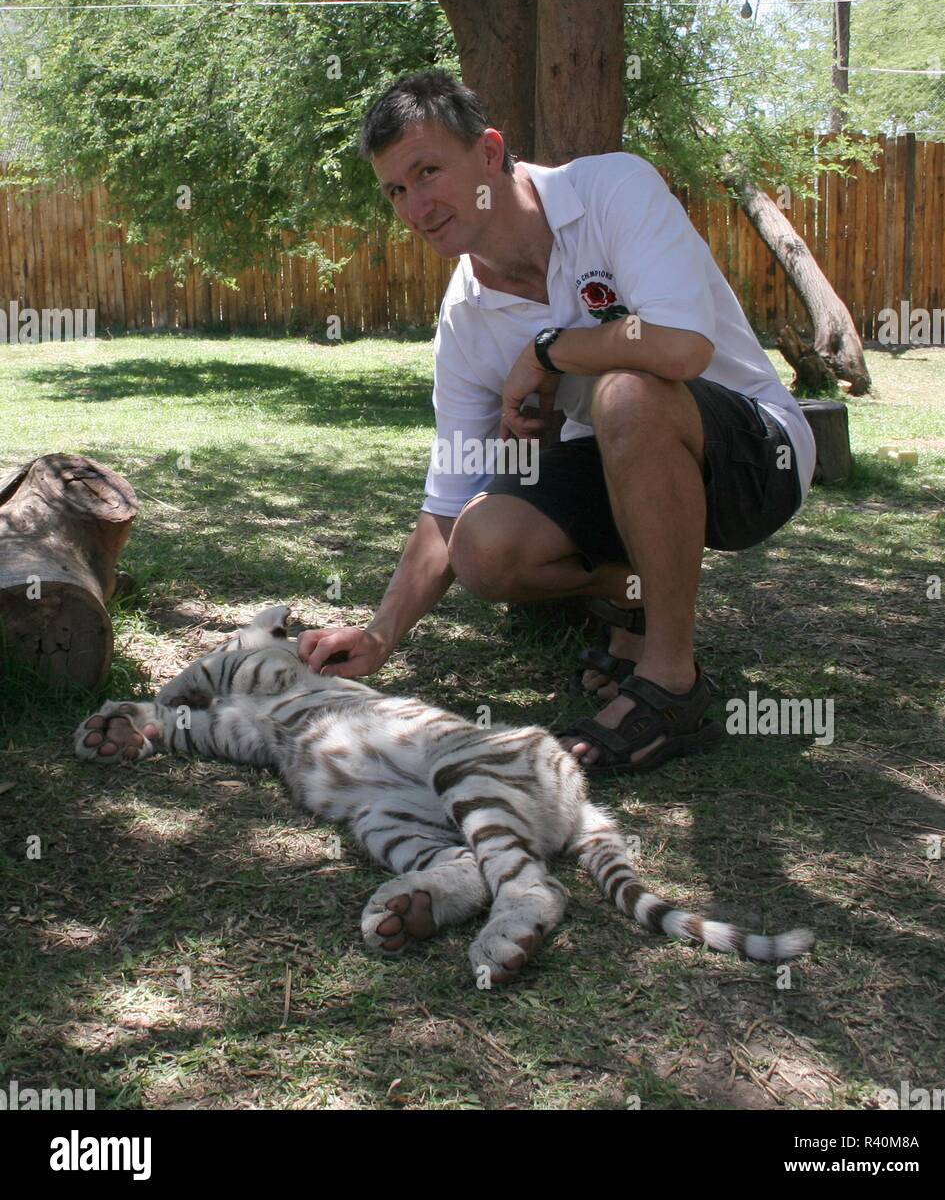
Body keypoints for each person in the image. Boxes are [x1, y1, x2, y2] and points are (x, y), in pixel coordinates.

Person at [298, 69, 815, 776]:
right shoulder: (466, 315)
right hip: (619, 466)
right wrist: (381, 634)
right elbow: (448, 499)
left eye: (427, 172)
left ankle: (671, 684)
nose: (415, 207)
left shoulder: (611, 189)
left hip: (752, 458)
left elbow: (681, 347)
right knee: (484, 545)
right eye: (395, 190)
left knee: (627, 391)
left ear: (488, 152)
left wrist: (548, 351)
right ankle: (632, 595)